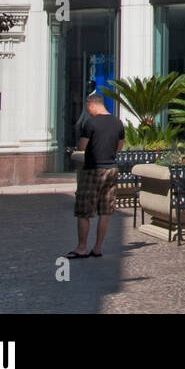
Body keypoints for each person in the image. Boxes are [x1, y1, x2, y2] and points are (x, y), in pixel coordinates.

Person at [67, 92, 125, 259]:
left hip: (93, 169)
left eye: (87, 108)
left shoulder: (90, 123)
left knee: (83, 211)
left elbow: (82, 146)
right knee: (105, 211)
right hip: (111, 169)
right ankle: (98, 248)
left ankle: (81, 247)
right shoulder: (118, 122)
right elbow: (119, 147)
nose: (88, 111)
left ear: (92, 104)